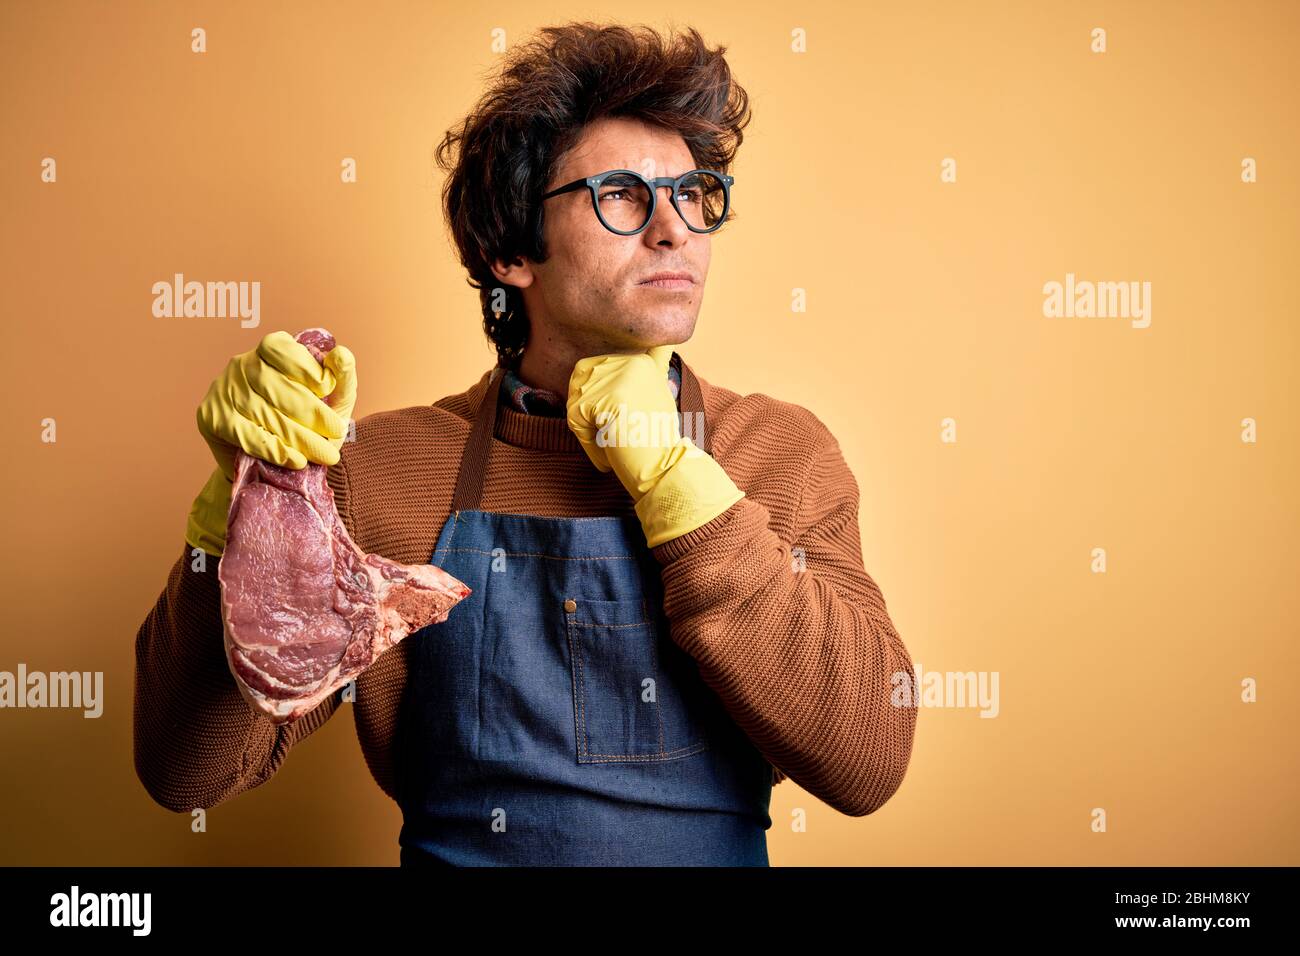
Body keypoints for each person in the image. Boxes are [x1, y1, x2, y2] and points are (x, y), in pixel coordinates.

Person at [133, 21, 917, 866]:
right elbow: (187, 773)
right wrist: (245, 512)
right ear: (511, 249)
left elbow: (867, 760)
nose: (675, 230)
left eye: (694, 193)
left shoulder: (777, 452)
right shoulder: (377, 473)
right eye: (622, 193)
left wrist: (676, 481)